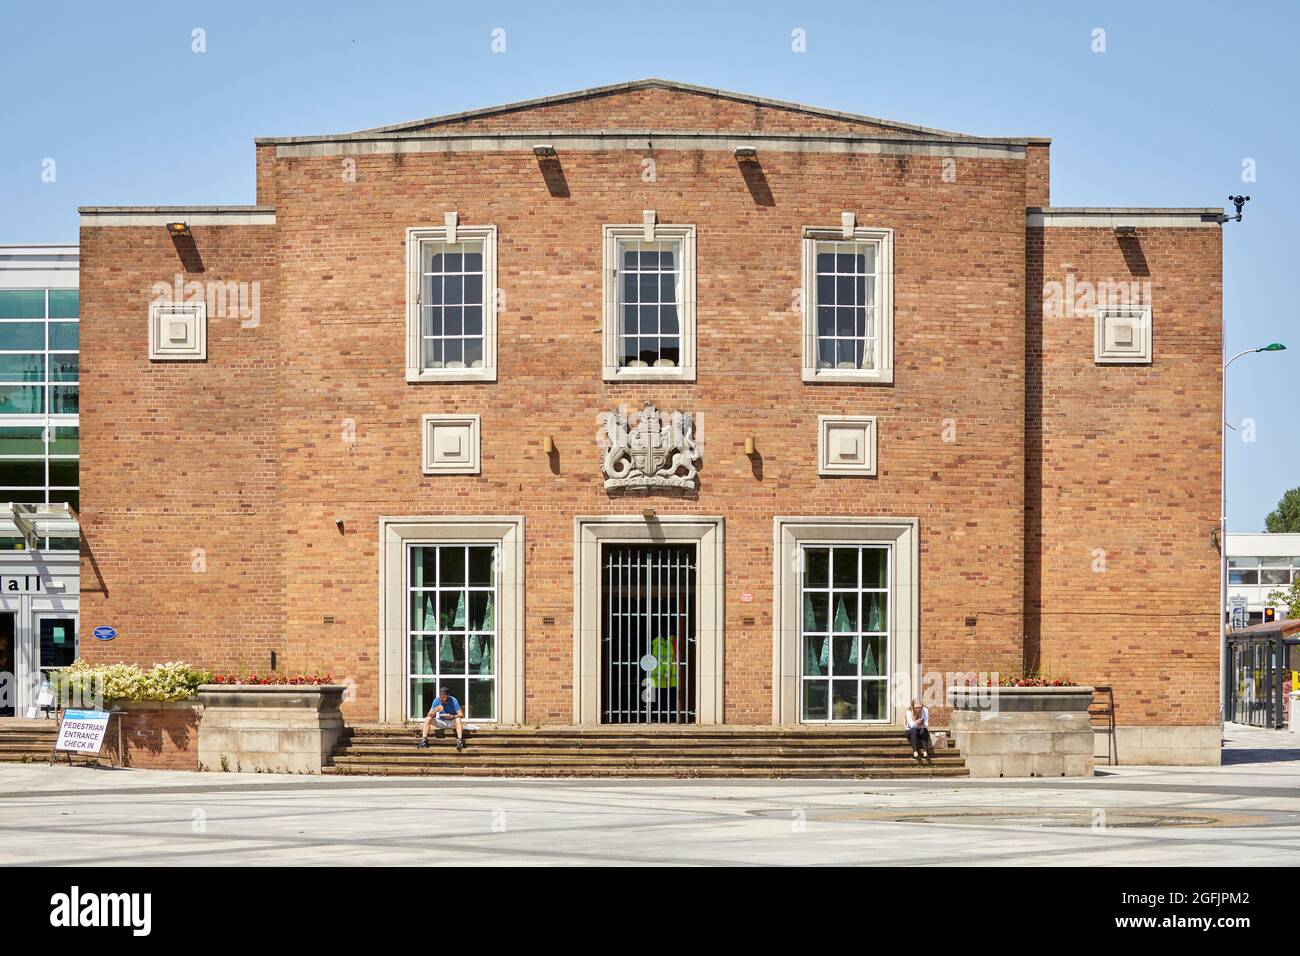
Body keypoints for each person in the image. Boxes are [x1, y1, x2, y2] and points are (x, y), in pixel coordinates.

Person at [418, 687, 466, 751]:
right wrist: (434, 711)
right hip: (441, 722)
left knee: (458, 719)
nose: (441, 699)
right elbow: (429, 715)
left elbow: (461, 715)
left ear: (448, 696)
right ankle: (424, 741)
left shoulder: (453, 700)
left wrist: (452, 716)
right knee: (427, 718)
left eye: (443, 697)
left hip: (451, 722)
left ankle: (459, 741)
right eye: (440, 696)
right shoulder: (436, 700)